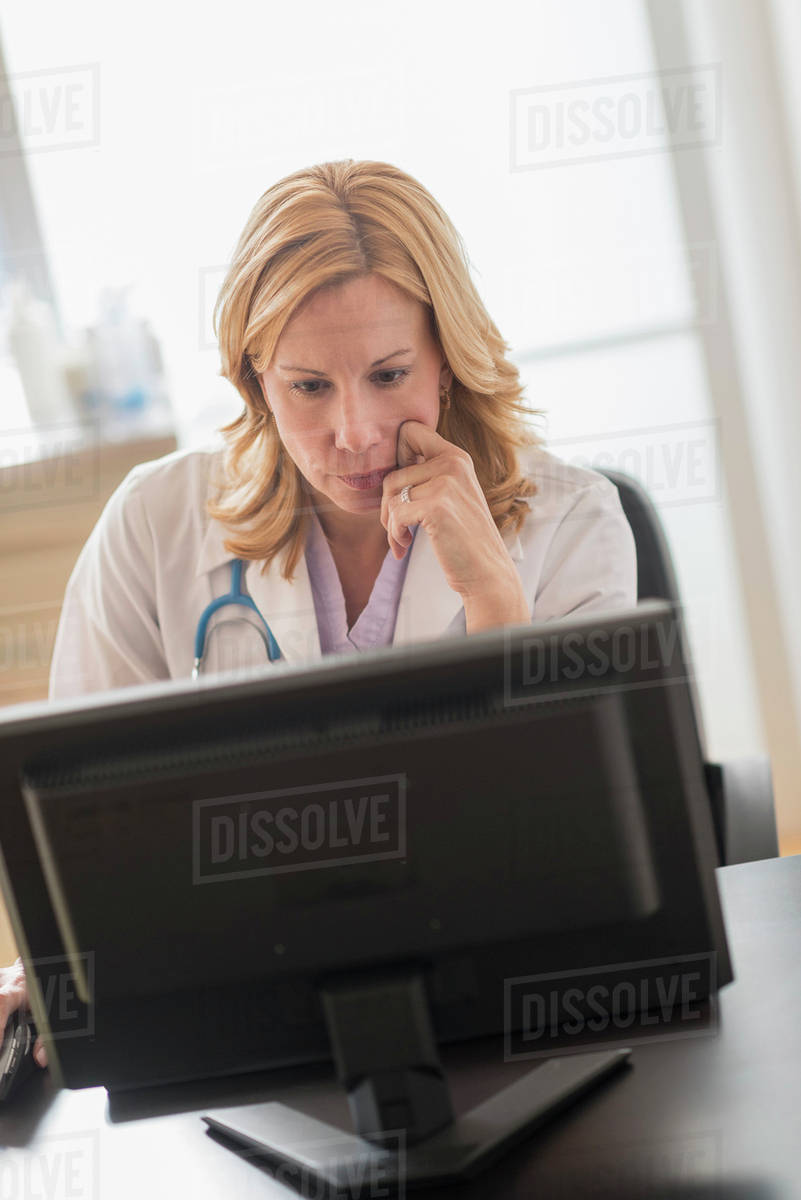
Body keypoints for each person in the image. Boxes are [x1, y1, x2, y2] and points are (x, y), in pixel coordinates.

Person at [5, 158, 637, 1069]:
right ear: (255, 380)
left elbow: (576, 853)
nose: (355, 432)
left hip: (505, 1016)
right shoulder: (152, 523)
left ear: (446, 362)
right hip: (239, 1021)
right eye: (309, 387)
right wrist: (53, 970)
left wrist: (496, 602)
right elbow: (79, 839)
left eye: (389, 374)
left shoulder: (569, 521)